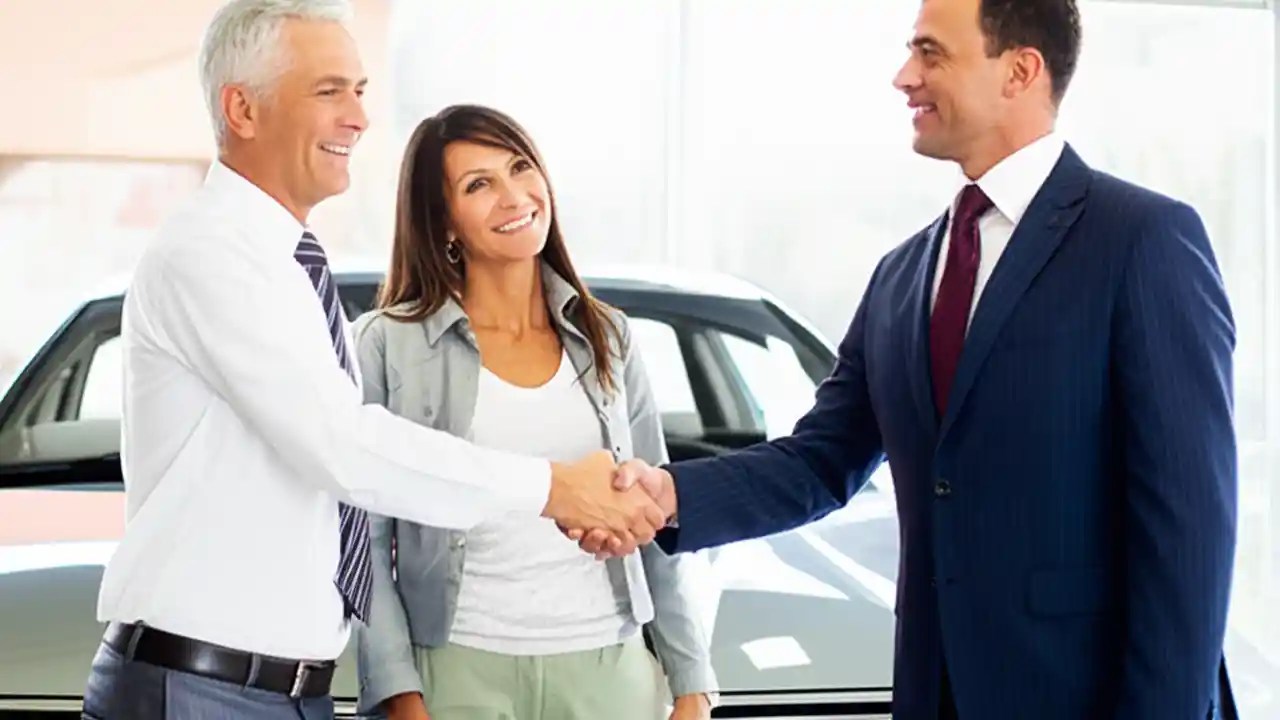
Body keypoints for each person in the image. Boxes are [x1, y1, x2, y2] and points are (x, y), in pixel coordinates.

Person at [590, 0, 1240, 718]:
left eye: (931, 53)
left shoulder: (1142, 241)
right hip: (931, 692)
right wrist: (669, 495)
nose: (905, 76)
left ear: (1019, 70)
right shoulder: (904, 274)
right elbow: (821, 459)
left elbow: (1189, 538)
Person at [81, 2, 664, 719]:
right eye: (329, 91)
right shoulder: (212, 256)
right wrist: (551, 488)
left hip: (274, 690)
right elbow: (345, 449)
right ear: (243, 109)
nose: (358, 117)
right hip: (204, 689)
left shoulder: (289, 261)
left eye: (360, 90)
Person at [349, 104, 717, 720]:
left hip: (610, 671)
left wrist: (692, 684)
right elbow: (364, 538)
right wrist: (401, 697)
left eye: (520, 167)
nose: (513, 195)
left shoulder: (610, 336)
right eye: (478, 185)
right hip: (460, 673)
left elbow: (657, 510)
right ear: (442, 222)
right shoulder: (388, 344)